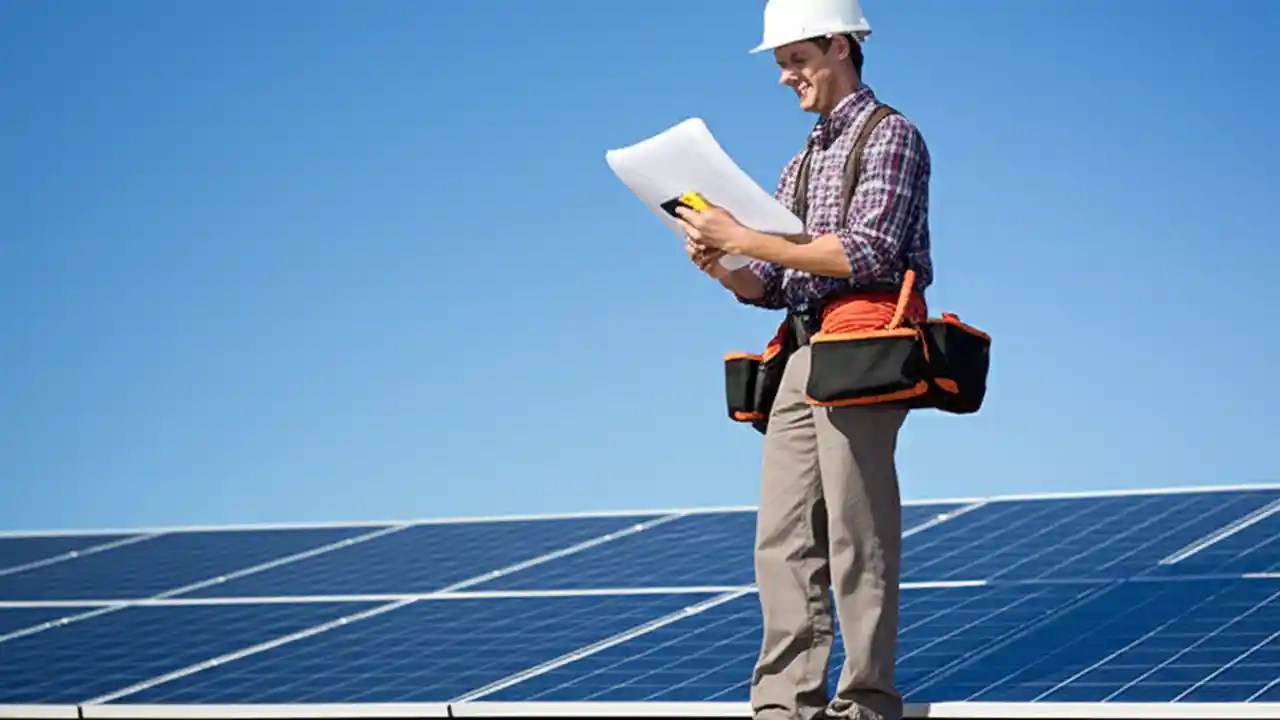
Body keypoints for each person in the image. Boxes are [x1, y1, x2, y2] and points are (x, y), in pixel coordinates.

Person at [673, 1, 933, 719]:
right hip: (802, 351)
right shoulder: (799, 163)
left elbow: (868, 251)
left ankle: (866, 701)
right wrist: (724, 264)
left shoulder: (892, 137)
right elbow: (778, 285)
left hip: (861, 347)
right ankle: (784, 706)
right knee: (783, 536)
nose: (787, 77)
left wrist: (749, 240)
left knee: (856, 527)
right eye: (782, 64)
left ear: (841, 46)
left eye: (796, 59)